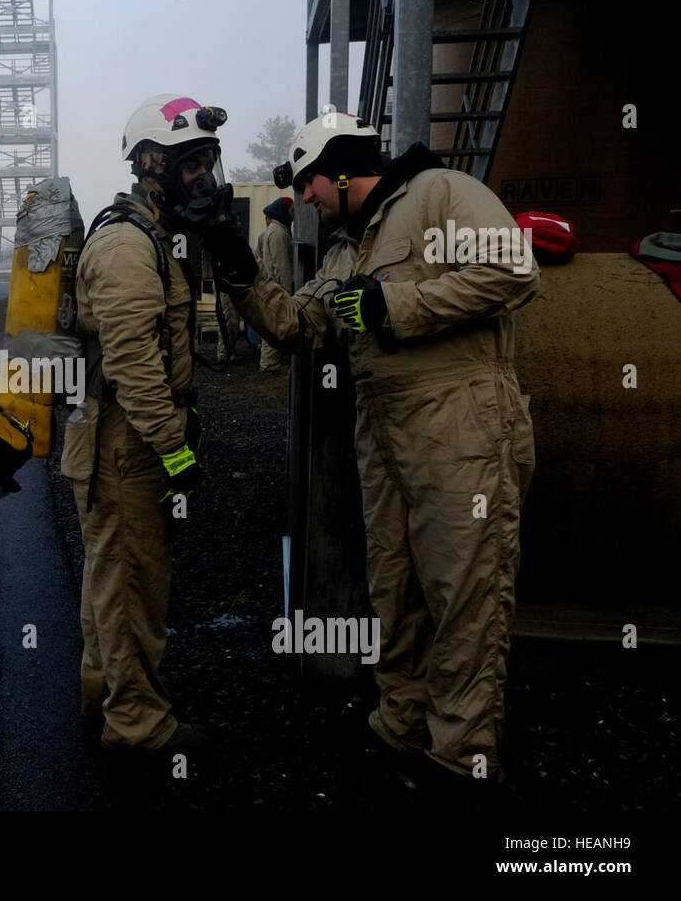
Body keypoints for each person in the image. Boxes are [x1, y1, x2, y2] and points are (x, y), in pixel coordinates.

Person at [202, 111, 538, 791]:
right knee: (394, 585)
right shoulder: (344, 253)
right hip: (384, 435)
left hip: (460, 430)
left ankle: (460, 753)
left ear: (345, 167)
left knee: (463, 591)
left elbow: (514, 271)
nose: (305, 200)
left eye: (310, 183)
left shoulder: (439, 195)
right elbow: (299, 324)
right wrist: (235, 266)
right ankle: (404, 718)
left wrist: (393, 306)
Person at [61, 94, 250, 753]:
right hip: (128, 441)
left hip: (128, 435)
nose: (202, 177)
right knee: (134, 580)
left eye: (207, 162)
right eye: (188, 163)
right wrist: (174, 448)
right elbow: (134, 359)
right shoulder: (124, 242)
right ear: (148, 164)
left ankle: (103, 692)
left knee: (111, 574)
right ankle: (136, 723)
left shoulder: (153, 235)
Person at [253, 196, 293, 372]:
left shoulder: (271, 231)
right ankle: (269, 363)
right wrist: (288, 293)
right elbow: (281, 264)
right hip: (277, 286)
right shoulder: (279, 233)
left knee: (272, 324)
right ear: (284, 211)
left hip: (268, 284)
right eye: (292, 211)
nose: (294, 215)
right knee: (277, 324)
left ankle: (271, 359)